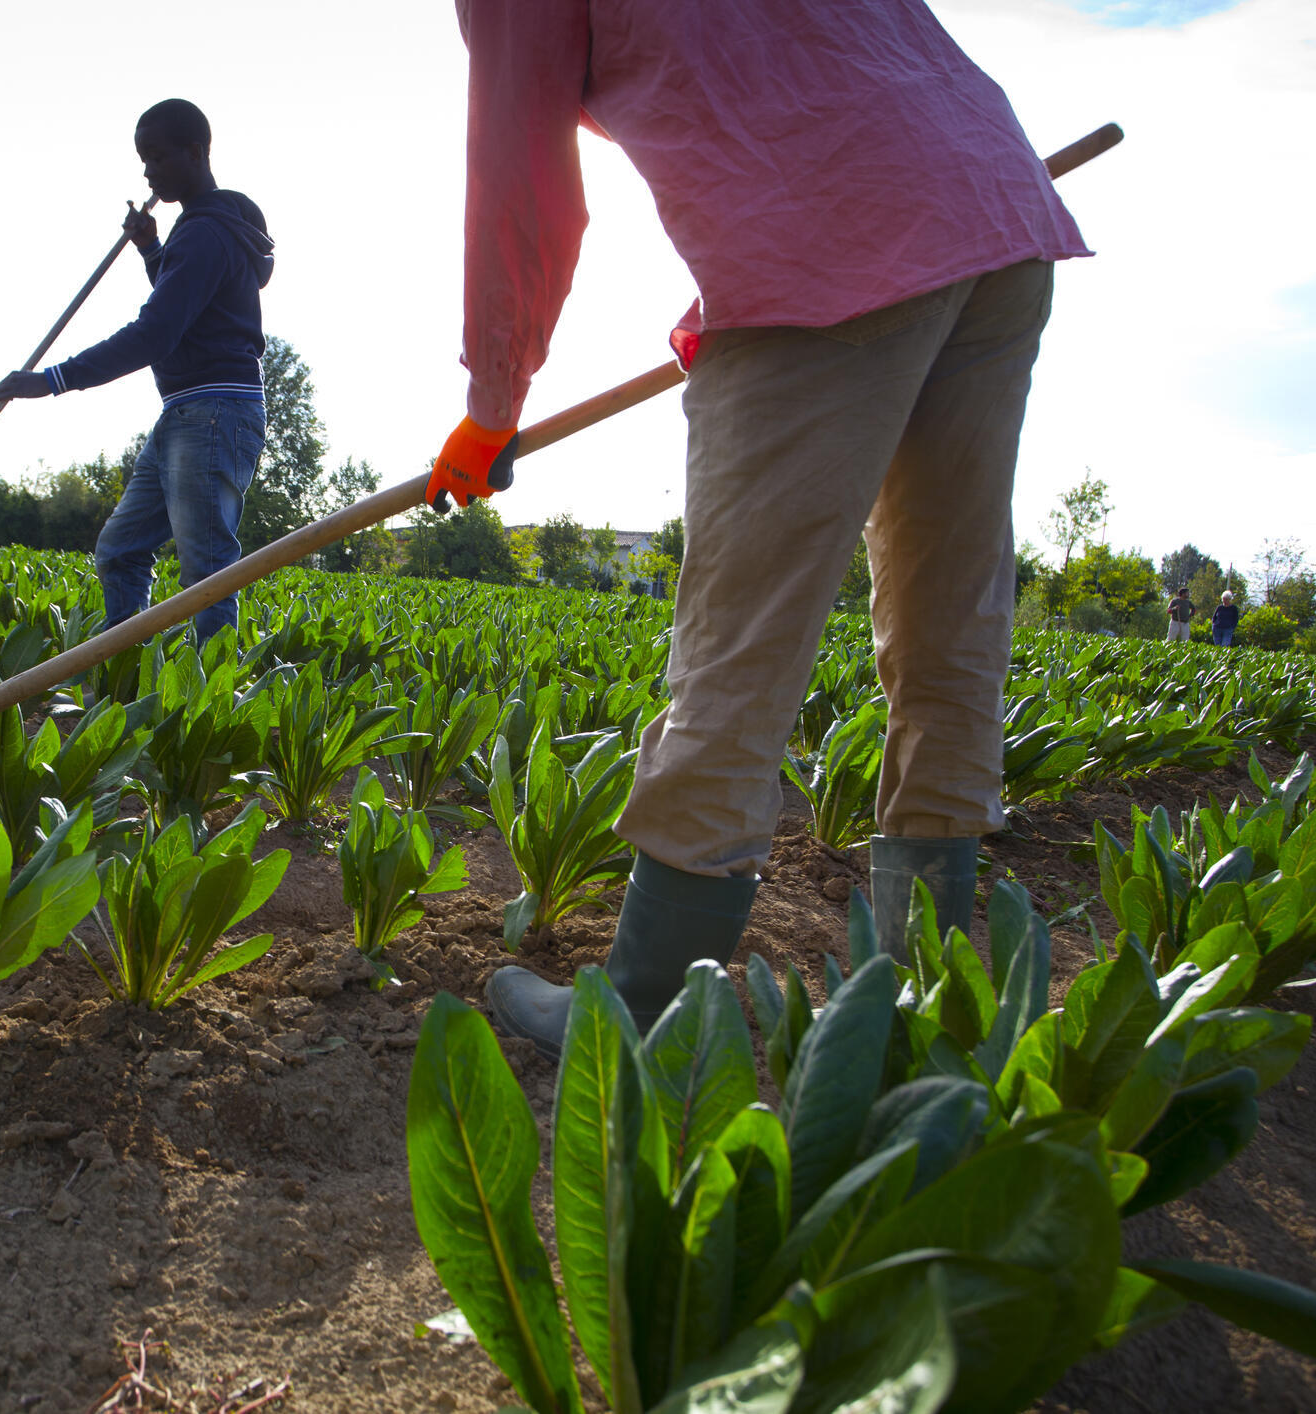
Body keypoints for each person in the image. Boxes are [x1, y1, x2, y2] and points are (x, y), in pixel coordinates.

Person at [430, 1, 1092, 1056]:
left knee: (739, 643)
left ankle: (641, 1007)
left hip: (837, 221)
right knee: (949, 618)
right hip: (989, 194)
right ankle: (918, 1001)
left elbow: (524, 184)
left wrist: (496, 401)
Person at [0, 99, 273, 643]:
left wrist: (52, 381)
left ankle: (208, 712)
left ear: (195, 153)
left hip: (216, 412)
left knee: (207, 570)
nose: (147, 171)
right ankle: (130, 680)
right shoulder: (199, 232)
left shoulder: (205, 232)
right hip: (186, 409)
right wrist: (151, 251)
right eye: (143, 159)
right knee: (120, 550)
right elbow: (187, 308)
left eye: (157, 156)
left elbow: (155, 334)